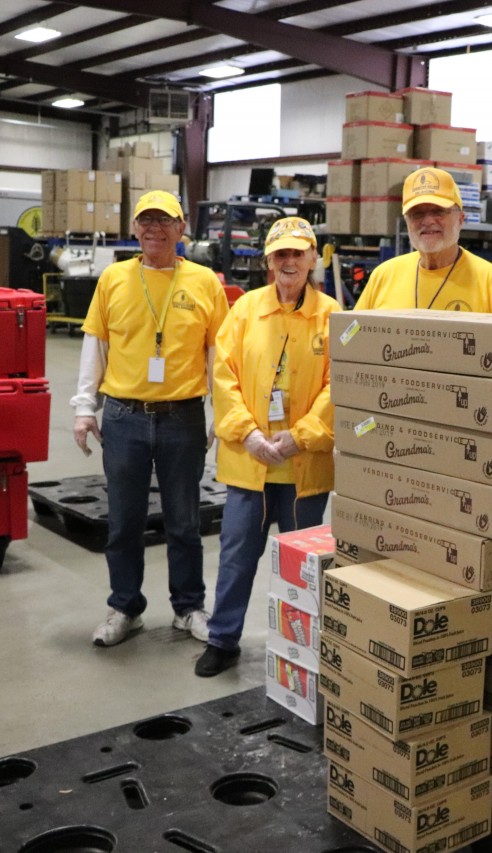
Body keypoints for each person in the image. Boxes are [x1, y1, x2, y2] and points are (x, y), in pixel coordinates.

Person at [72, 190, 228, 648]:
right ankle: (125, 607)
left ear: (182, 229)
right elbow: (95, 346)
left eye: (165, 220)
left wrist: (220, 413)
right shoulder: (114, 279)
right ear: (135, 229)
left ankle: (189, 608)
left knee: (184, 521)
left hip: (183, 418)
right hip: (123, 417)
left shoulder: (205, 282)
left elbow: (218, 353)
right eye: (146, 220)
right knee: (124, 521)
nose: (155, 228)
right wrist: (85, 408)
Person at [195, 217, 339, 677]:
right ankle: (223, 639)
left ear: (314, 258)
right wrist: (248, 434)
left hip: (304, 471)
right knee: (236, 558)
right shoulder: (244, 311)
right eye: (281, 254)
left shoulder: (334, 316)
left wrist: (301, 436)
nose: (290, 262)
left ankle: (303, 647)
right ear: (267, 262)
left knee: (303, 567)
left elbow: (340, 387)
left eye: (298, 253)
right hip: (248, 466)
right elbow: (224, 378)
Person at [353, 166, 492, 312]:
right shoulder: (384, 276)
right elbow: (350, 333)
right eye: (417, 214)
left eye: (438, 211)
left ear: (460, 219)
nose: (428, 221)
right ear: (406, 222)